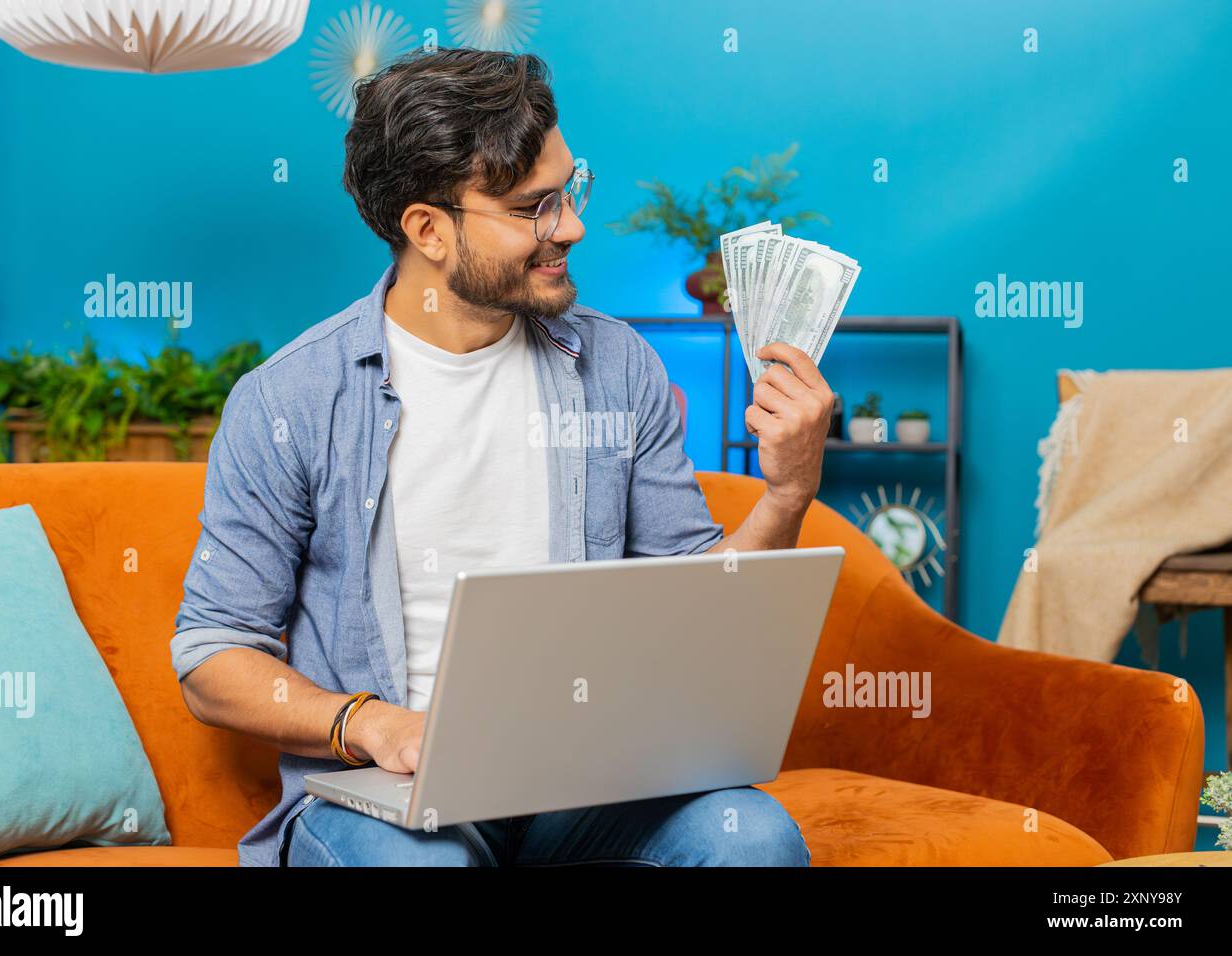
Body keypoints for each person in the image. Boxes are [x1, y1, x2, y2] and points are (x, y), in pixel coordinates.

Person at [171, 47, 834, 867]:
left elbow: (704, 605)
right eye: (535, 208)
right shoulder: (291, 401)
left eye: (571, 189)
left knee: (755, 840)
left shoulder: (619, 368)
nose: (573, 227)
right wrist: (370, 723)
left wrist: (787, 495)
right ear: (428, 230)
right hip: (392, 804)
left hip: (588, 792)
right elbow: (211, 655)